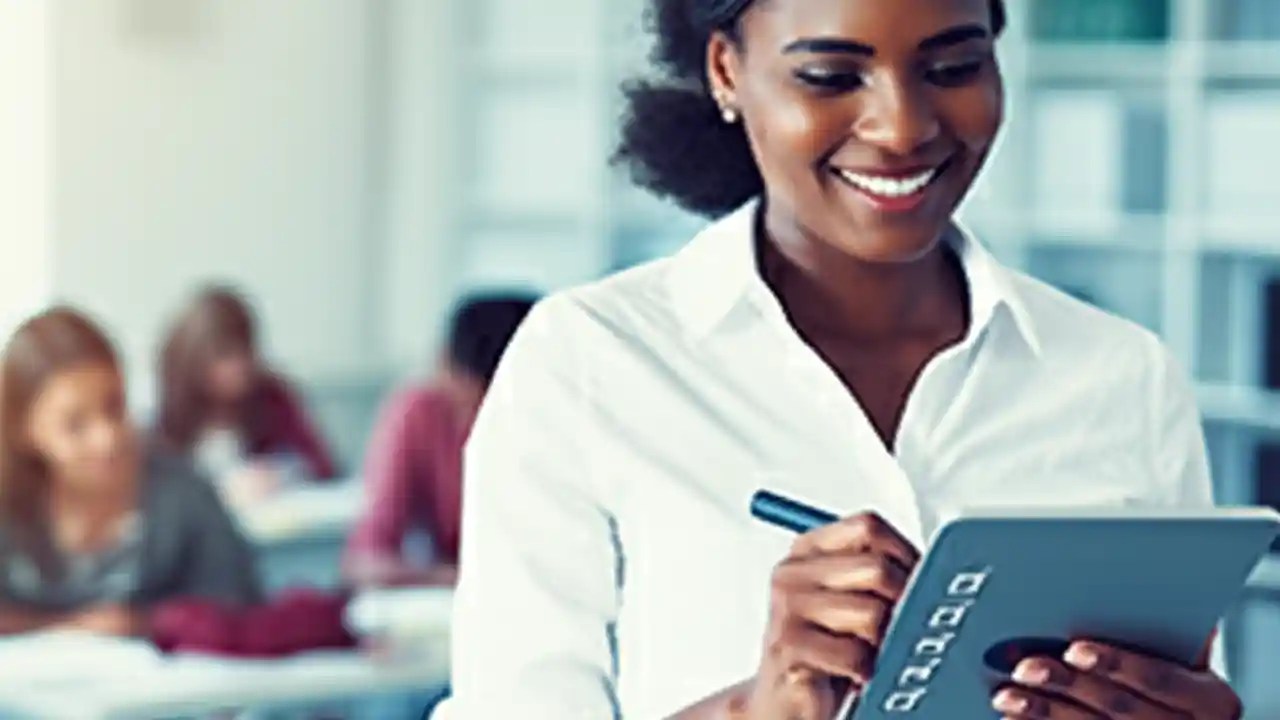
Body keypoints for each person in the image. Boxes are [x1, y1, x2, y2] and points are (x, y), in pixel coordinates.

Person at [437, 0, 1245, 719]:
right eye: (829, 75)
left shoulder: (1121, 376)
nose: (901, 127)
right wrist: (757, 709)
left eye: (955, 66)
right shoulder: (587, 362)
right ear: (727, 69)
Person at [0, 308, 261, 636]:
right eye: (75, 425)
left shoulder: (181, 489)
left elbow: (241, 604)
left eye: (114, 406)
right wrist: (69, 626)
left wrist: (148, 624)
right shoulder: (7, 501)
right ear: (23, 431)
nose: (107, 438)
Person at [343, 294, 537, 588]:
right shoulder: (419, 412)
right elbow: (365, 560)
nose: (482, 426)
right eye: (473, 408)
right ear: (443, 366)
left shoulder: (562, 418)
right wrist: (455, 578)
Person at [153, 286, 338, 506]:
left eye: (245, 350)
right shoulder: (168, 416)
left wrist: (280, 474)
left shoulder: (273, 396)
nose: (238, 367)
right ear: (195, 359)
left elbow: (323, 466)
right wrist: (221, 487)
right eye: (224, 355)